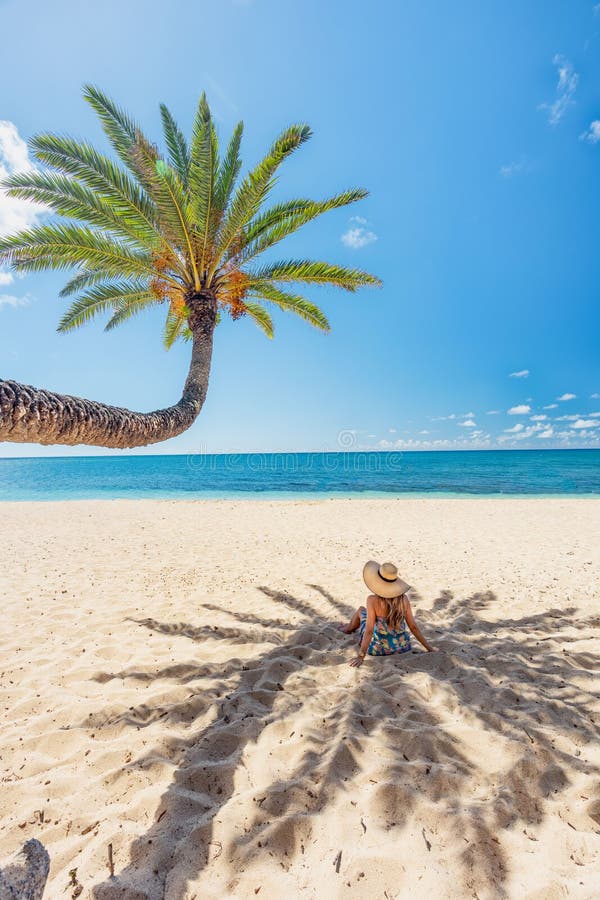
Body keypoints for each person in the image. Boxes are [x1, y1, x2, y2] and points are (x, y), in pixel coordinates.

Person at [338, 560, 437, 667]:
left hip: (377, 649)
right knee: (365, 615)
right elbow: (413, 627)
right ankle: (348, 627)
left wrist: (361, 656)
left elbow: (369, 630)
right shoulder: (404, 600)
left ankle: (347, 629)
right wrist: (429, 648)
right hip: (402, 647)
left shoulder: (372, 600)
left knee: (361, 610)